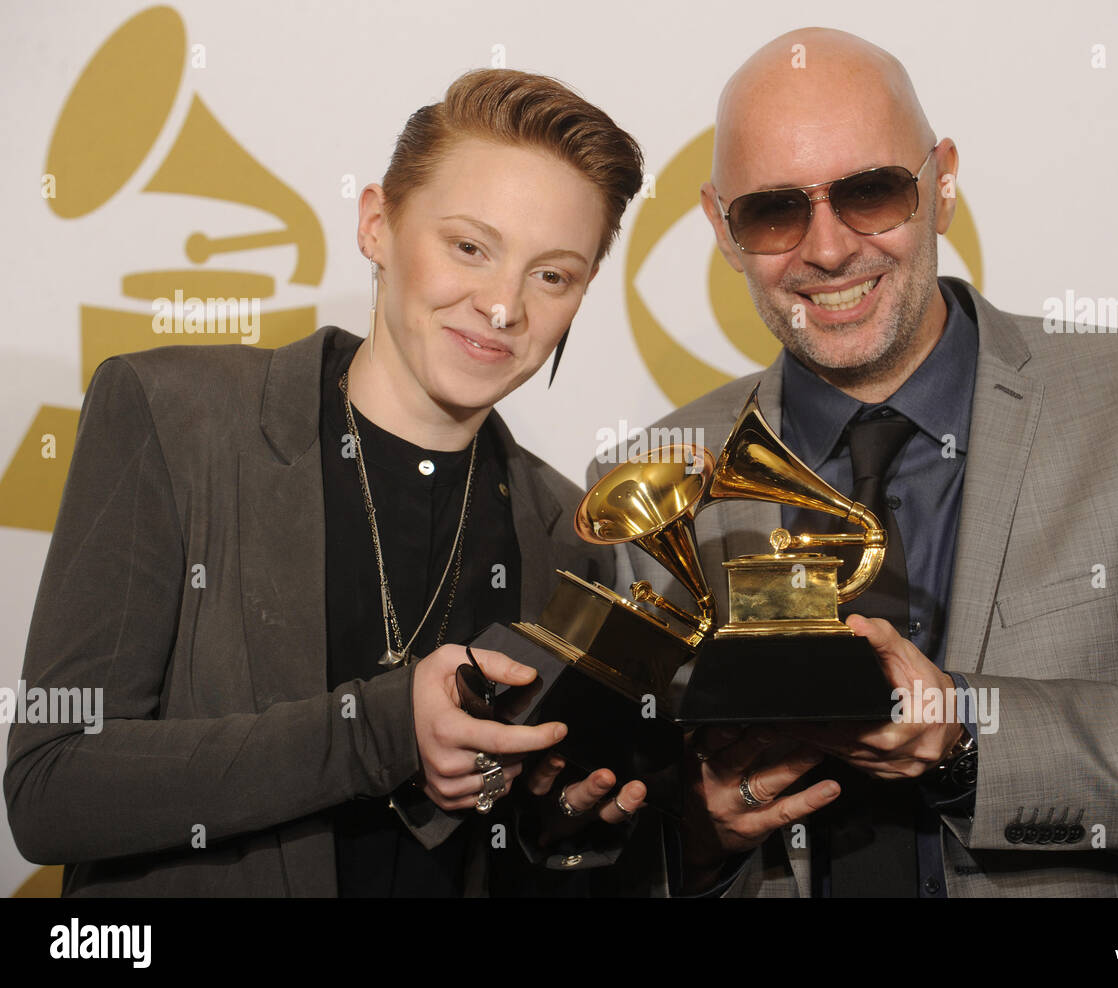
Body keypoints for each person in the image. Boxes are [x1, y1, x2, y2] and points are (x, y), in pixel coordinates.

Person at [596, 28, 1118, 896]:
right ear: (722, 227)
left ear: (943, 183)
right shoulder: (653, 478)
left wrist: (966, 730)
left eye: (872, 191)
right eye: (774, 211)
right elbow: (621, 834)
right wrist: (700, 838)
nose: (826, 250)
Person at [5, 68, 648, 896]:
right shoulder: (172, 417)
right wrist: (381, 731)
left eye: (552, 274)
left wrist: (556, 823)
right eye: (469, 247)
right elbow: (52, 788)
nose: (501, 306)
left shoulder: (570, 527)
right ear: (377, 224)